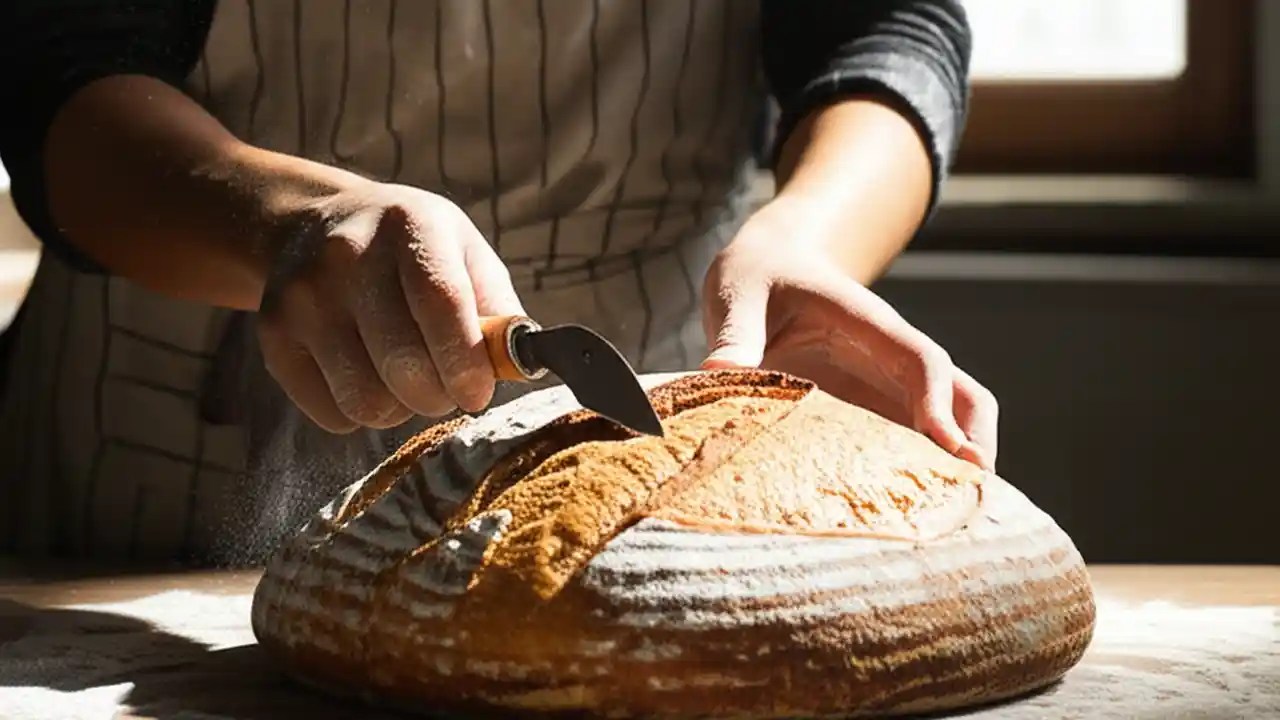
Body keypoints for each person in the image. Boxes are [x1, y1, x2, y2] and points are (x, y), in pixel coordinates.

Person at [0, 0, 996, 566]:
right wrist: (283, 220)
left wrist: (810, 234)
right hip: (170, 431)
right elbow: (57, 75)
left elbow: (882, 27)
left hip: (651, 402)